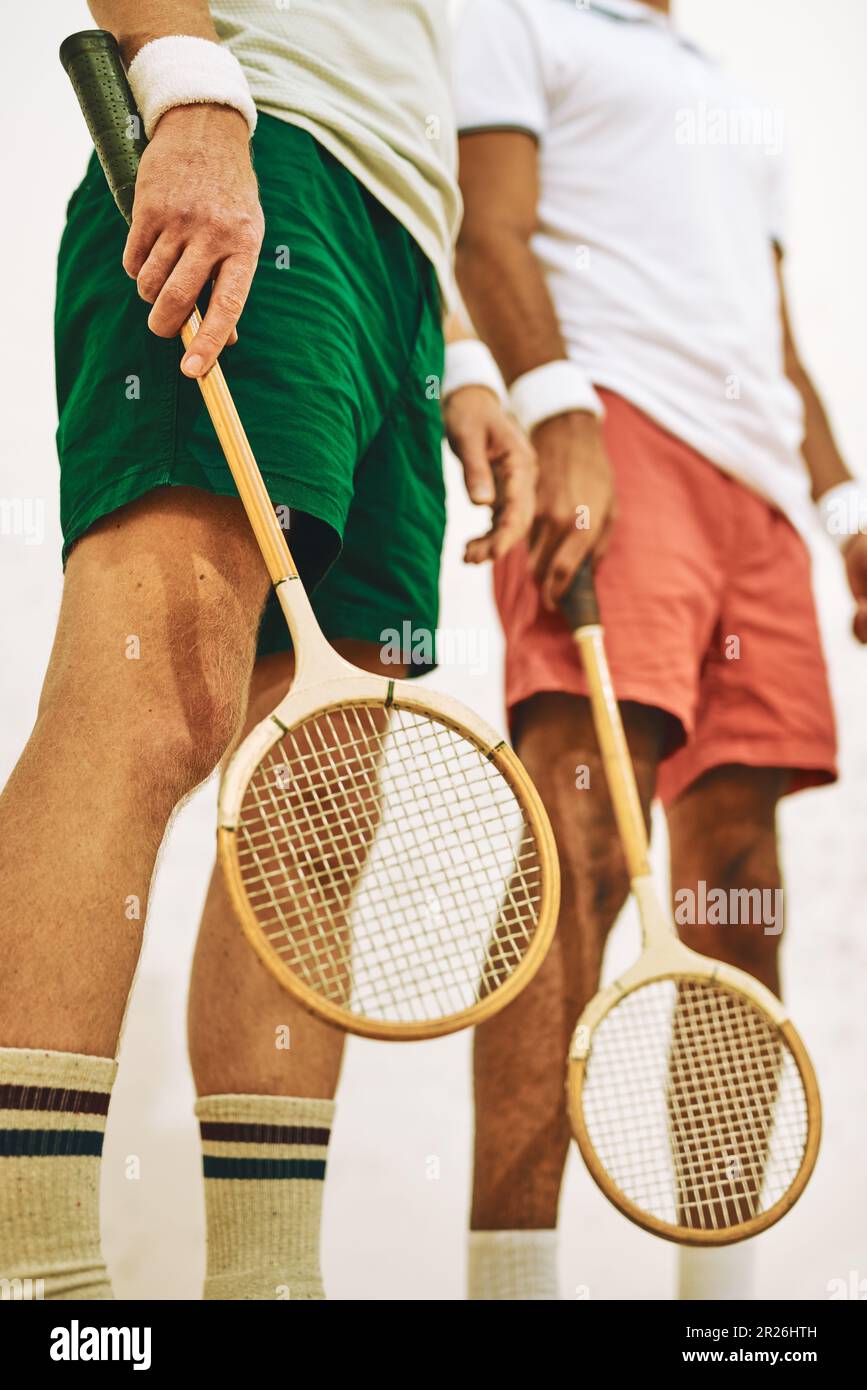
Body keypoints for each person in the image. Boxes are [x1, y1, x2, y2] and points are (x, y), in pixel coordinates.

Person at [0, 0, 534, 1299]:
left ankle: (268, 1287)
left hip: (397, 267)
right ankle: (40, 1276)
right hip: (261, 161)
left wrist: (459, 346)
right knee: (159, 705)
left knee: (318, 802)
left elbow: (392, 95)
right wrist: (185, 84)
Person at [452, 0, 867, 1300]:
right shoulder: (516, 17)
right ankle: (511, 1286)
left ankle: (721, 1311)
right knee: (578, 854)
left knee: (740, 890)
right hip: (613, 428)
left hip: (757, 498)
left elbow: (777, 336)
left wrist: (844, 509)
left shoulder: (725, 93)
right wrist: (554, 406)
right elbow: (485, 228)